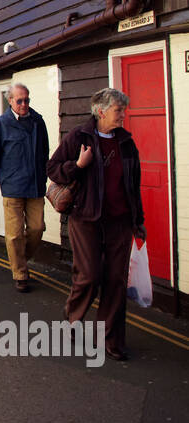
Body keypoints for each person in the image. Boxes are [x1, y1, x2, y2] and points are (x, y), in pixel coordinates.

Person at [47, 87, 146, 362]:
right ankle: (70, 322)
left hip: (120, 222)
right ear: (101, 111)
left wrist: (138, 220)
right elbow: (52, 168)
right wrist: (77, 165)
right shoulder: (79, 136)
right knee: (88, 276)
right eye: (118, 110)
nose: (123, 115)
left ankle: (111, 341)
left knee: (115, 281)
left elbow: (133, 184)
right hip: (86, 218)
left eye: (123, 110)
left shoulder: (126, 142)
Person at [0, 83, 50, 292]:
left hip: (36, 186)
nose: (23, 104)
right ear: (10, 101)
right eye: (19, 100)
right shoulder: (1, 124)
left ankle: (18, 259)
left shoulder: (38, 121)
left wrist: (49, 177)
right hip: (12, 186)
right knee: (14, 234)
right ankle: (20, 273)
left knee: (37, 228)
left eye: (26, 100)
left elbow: (44, 153)